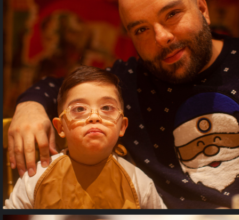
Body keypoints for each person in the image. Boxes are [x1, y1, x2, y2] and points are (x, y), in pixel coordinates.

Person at [7, 0, 239, 209]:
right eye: (142, 29)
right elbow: (59, 86)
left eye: (172, 14)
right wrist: (30, 105)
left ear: (202, 9)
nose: (162, 37)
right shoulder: (129, 82)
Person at [5, 67, 164, 209]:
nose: (94, 117)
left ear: (122, 126)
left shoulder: (139, 183)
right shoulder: (36, 179)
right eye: (80, 109)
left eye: (107, 108)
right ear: (60, 127)